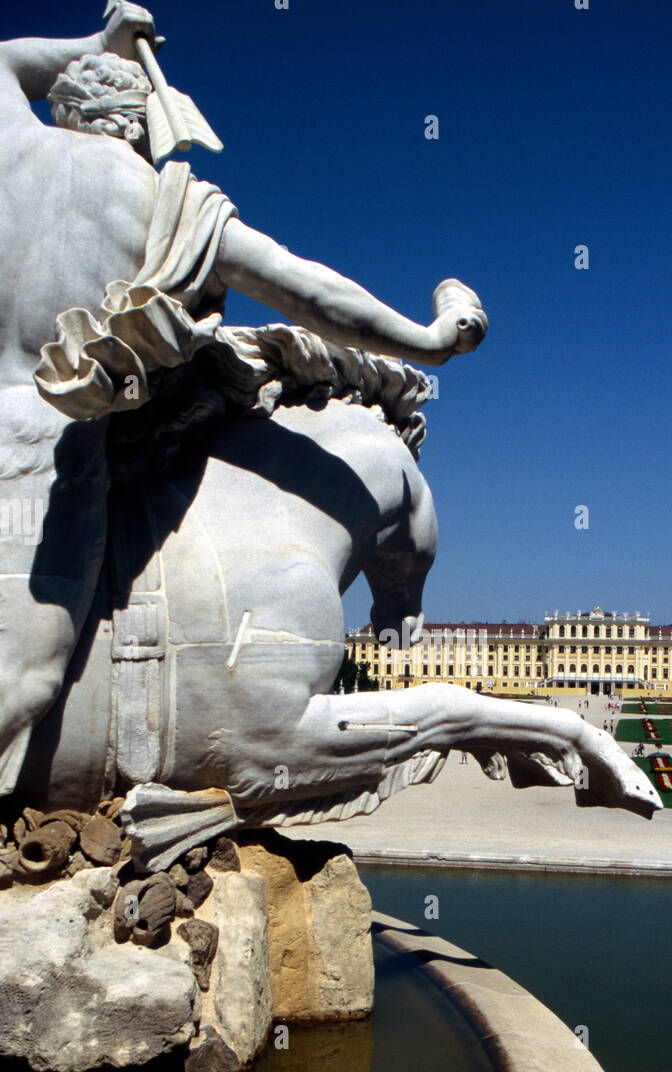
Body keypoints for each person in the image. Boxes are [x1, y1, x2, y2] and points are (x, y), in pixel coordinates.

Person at [0, 4, 486, 795]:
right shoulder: (157, 203)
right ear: (138, 124)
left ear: (68, 104)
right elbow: (312, 294)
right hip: (36, 462)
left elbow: (8, 60)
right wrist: (429, 343)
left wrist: (92, 41)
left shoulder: (8, 143)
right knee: (22, 684)